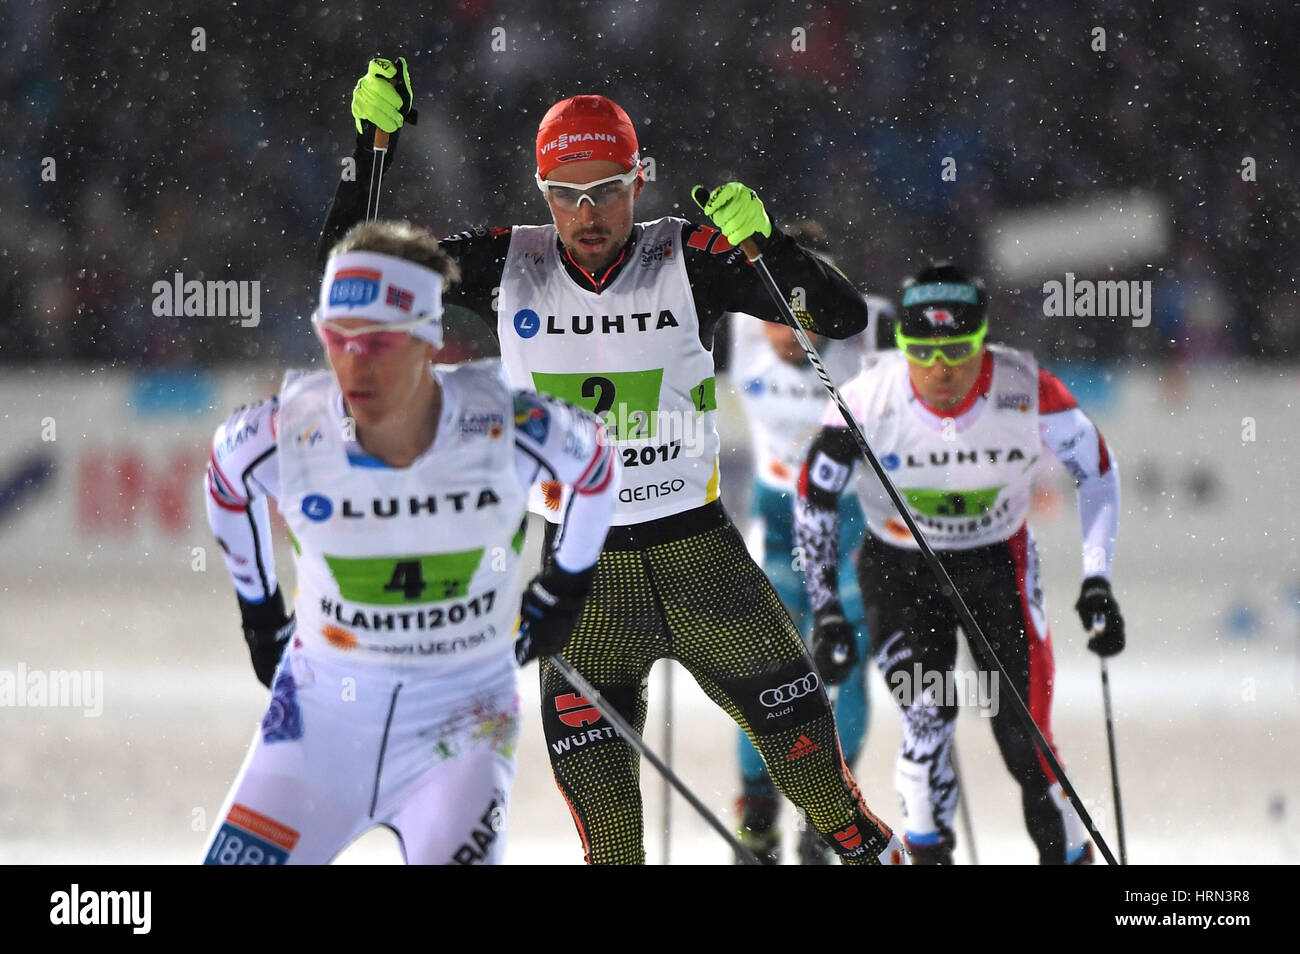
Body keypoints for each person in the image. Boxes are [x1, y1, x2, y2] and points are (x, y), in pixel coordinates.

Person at [322, 58, 905, 864]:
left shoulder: (688, 256)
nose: (587, 212)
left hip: (700, 560)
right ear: (542, 189)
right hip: (580, 579)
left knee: (832, 806)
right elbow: (349, 283)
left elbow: (835, 317)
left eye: (606, 189)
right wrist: (370, 149)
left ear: (638, 181)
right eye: (566, 192)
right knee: (614, 847)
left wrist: (772, 248)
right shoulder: (505, 263)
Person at [201, 220, 619, 864]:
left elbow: (596, 464)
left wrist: (565, 587)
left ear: (429, 341)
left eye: (378, 343)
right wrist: (259, 617)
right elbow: (226, 482)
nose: (352, 364)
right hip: (318, 727)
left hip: (461, 731)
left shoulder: (505, 423)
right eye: (336, 341)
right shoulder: (281, 432)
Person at [795, 263, 1125, 864]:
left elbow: (1097, 471)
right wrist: (825, 610)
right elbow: (813, 498)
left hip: (995, 568)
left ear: (984, 341)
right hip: (899, 570)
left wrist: (1097, 578)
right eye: (922, 352)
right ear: (901, 348)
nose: (941, 368)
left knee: (1024, 743)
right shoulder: (870, 398)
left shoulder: (1026, 389)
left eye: (957, 350)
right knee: (926, 718)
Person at [726, 221, 896, 864]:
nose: (793, 338)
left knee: (844, 666)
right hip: (775, 518)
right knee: (764, 672)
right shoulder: (736, 319)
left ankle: (831, 817)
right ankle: (759, 814)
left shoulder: (871, 324)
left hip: (850, 519)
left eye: (807, 324)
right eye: (778, 323)